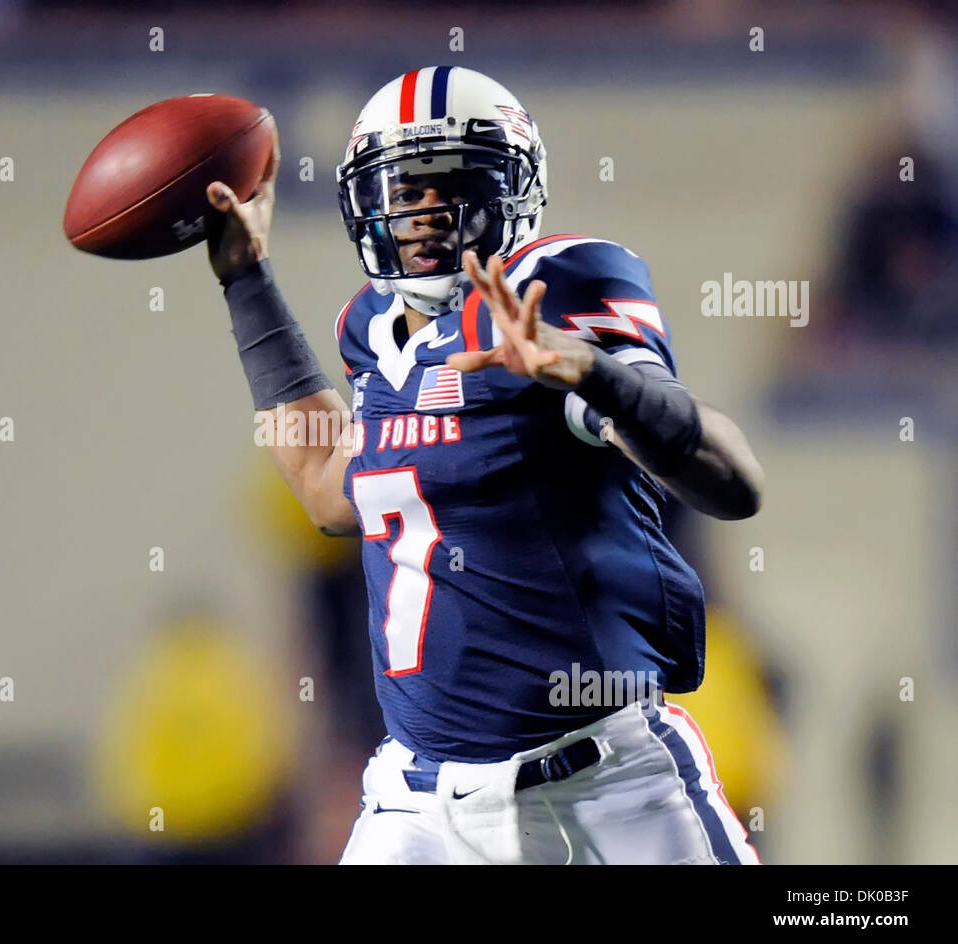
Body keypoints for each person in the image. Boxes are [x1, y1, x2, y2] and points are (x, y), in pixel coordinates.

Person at [205, 66, 764, 864]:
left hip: (602, 788)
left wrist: (596, 375)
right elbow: (332, 493)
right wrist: (246, 283)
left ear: (512, 189)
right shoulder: (370, 331)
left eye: (449, 184)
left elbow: (733, 480)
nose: (422, 212)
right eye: (402, 190)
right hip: (417, 803)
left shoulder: (562, 283)